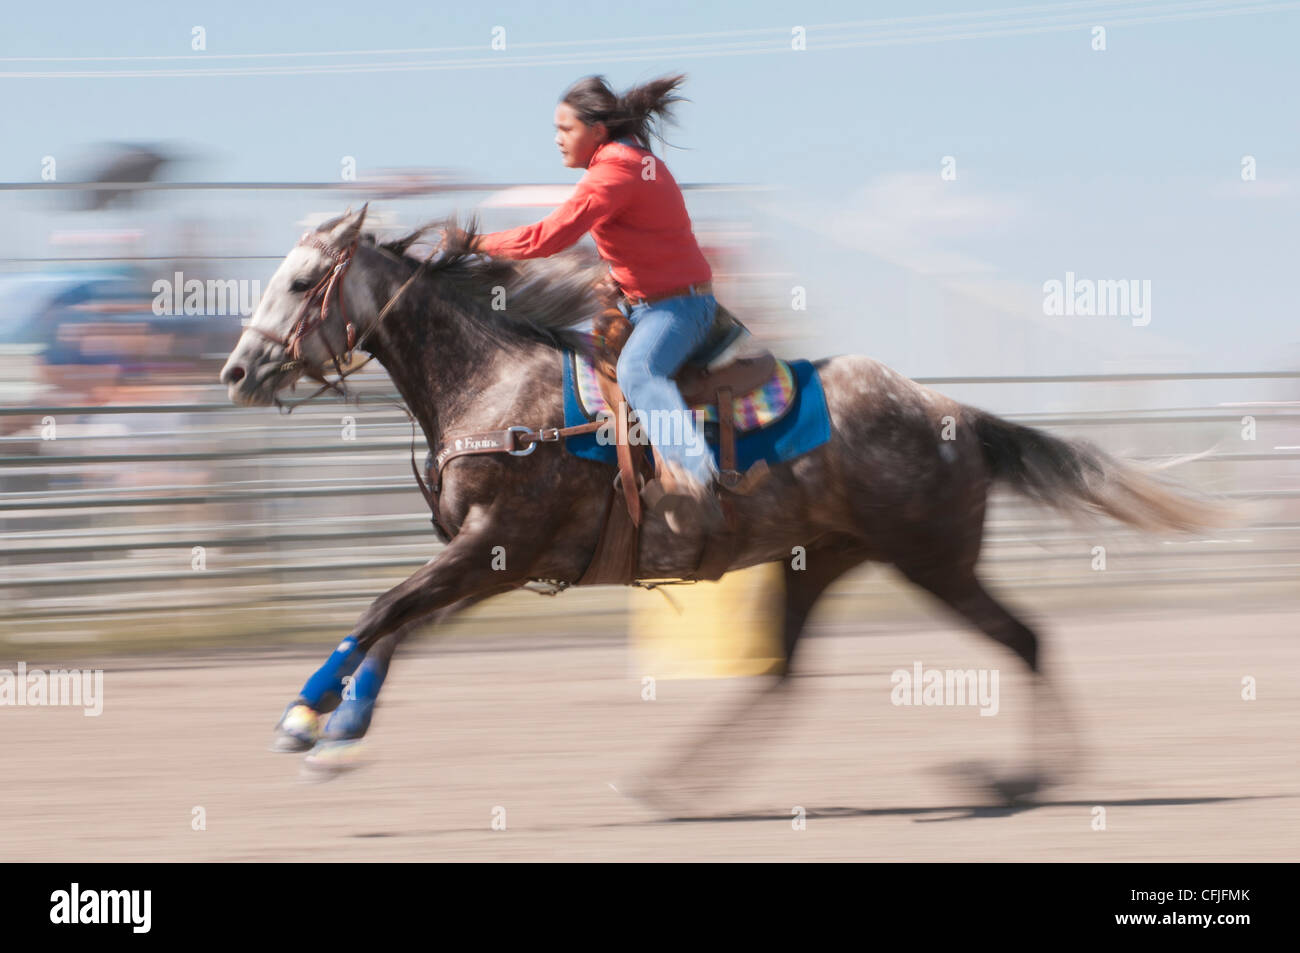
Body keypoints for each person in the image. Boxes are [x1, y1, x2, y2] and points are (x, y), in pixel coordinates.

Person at [448, 74, 723, 533]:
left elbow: (547, 237)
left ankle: (698, 478)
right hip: (649, 306)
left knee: (640, 372)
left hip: (678, 311)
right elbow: (649, 239)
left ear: (597, 131)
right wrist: (619, 281)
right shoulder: (627, 162)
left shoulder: (615, 170)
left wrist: (475, 242)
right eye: (555, 130)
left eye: (565, 129)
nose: (557, 140)